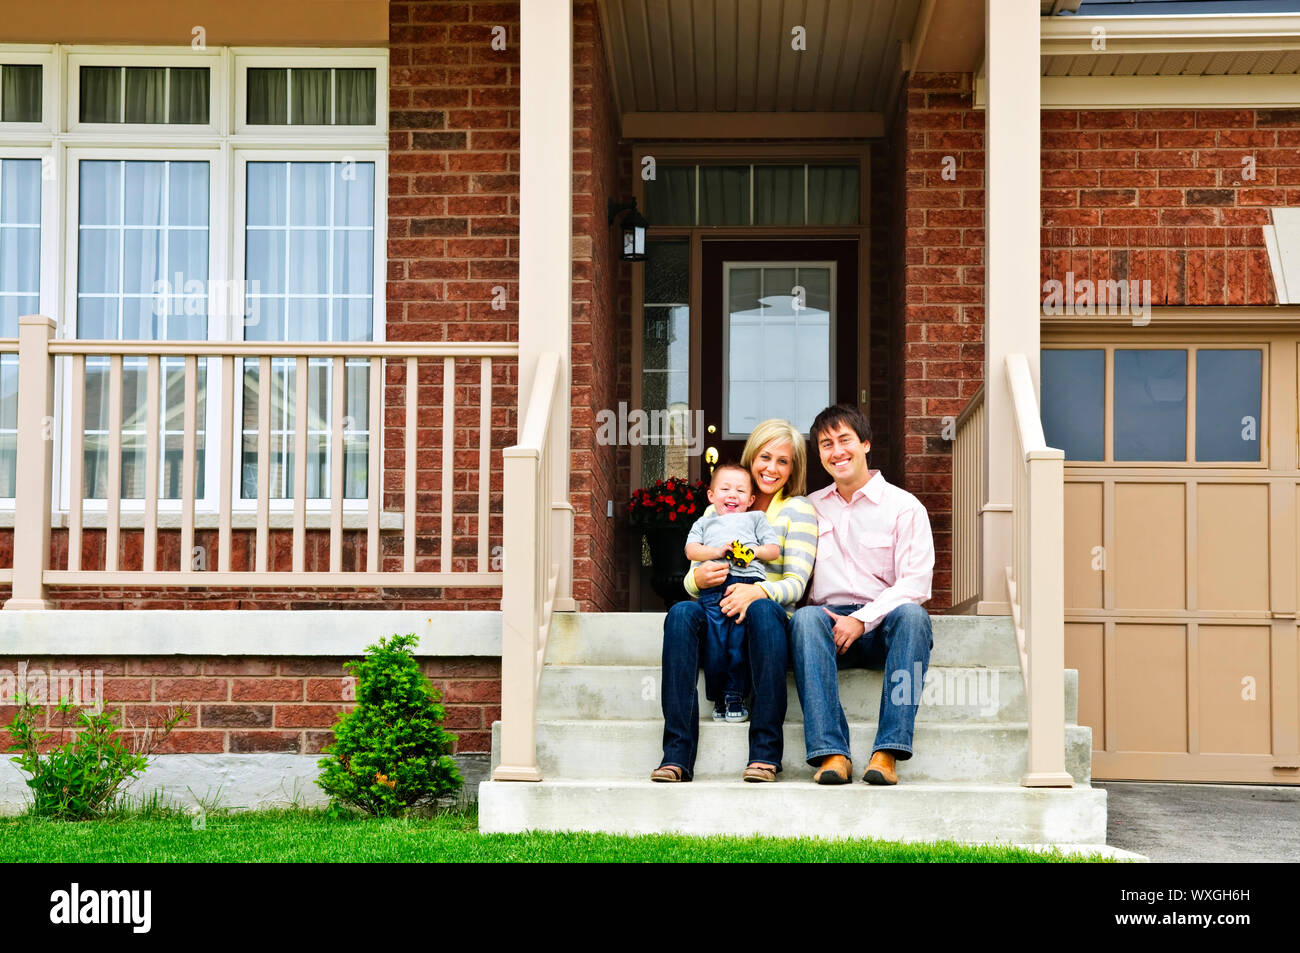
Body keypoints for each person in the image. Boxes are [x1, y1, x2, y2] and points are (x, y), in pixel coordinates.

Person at [651, 419, 818, 784]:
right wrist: (694, 579)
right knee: (680, 613)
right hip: (716, 605)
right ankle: (676, 756)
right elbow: (695, 572)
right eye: (765, 457)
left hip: (765, 615)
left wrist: (757, 591)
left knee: (761, 611)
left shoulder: (798, 511)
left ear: (793, 470)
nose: (771, 468)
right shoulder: (721, 508)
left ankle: (764, 755)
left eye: (783, 462)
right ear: (751, 457)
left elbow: (796, 585)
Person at [790, 404, 934, 786]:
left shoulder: (904, 507)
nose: (836, 451)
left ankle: (887, 752)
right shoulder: (808, 508)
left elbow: (916, 583)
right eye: (826, 444)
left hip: (883, 625)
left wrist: (863, 619)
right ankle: (832, 754)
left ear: (865, 444)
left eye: (844, 440)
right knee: (804, 619)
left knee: (914, 617)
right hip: (826, 627)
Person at [683, 463, 781, 724]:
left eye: (740, 490)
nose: (732, 495)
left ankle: (736, 695)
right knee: (716, 645)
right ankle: (718, 696)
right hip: (714, 589)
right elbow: (692, 551)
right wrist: (718, 551)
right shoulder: (704, 522)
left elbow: (773, 550)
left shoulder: (756, 518)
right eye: (725, 489)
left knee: (738, 644)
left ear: (750, 499)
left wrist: (752, 552)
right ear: (711, 495)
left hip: (746, 587)